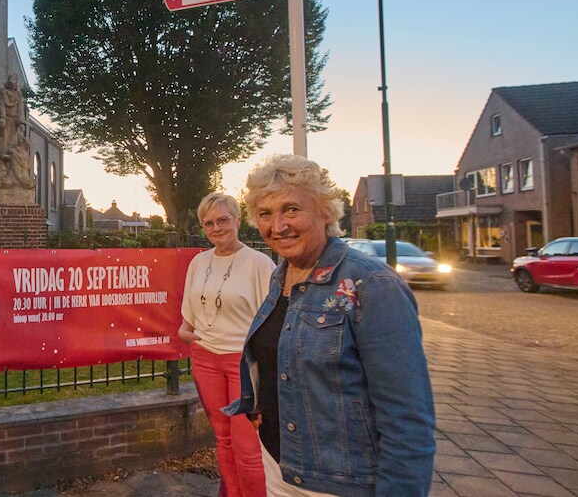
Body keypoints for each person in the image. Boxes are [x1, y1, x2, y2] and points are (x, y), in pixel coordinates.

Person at [224, 154, 435, 496]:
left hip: (338, 483)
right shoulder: (281, 277)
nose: (277, 226)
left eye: (291, 209)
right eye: (265, 214)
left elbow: (407, 419)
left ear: (325, 212)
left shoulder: (371, 285)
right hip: (279, 468)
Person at [178, 193, 272, 497]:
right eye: (209, 223)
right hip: (205, 358)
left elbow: (272, 319)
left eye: (222, 220)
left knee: (247, 446)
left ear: (237, 220)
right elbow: (188, 313)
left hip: (243, 363)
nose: (216, 228)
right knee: (223, 438)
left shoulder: (259, 263)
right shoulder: (198, 262)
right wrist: (184, 329)